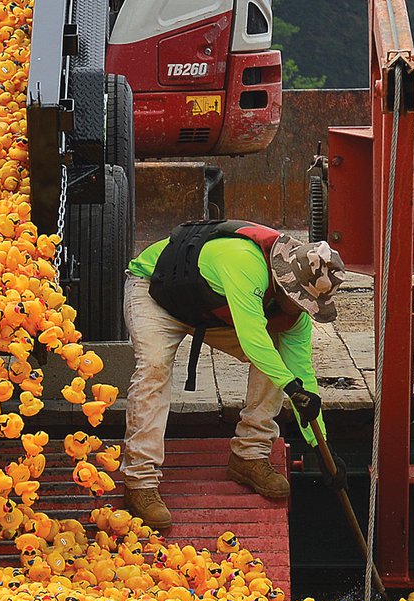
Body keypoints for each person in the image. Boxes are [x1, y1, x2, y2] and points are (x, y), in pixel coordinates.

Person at [119, 220, 345, 532]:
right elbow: (253, 337)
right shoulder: (244, 261)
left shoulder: (296, 315)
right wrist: (291, 388)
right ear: (282, 282)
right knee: (154, 367)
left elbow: (302, 375)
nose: (298, 309)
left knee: (279, 357)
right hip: (154, 293)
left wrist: (321, 446)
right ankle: (140, 480)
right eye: (296, 300)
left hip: (209, 311)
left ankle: (250, 454)